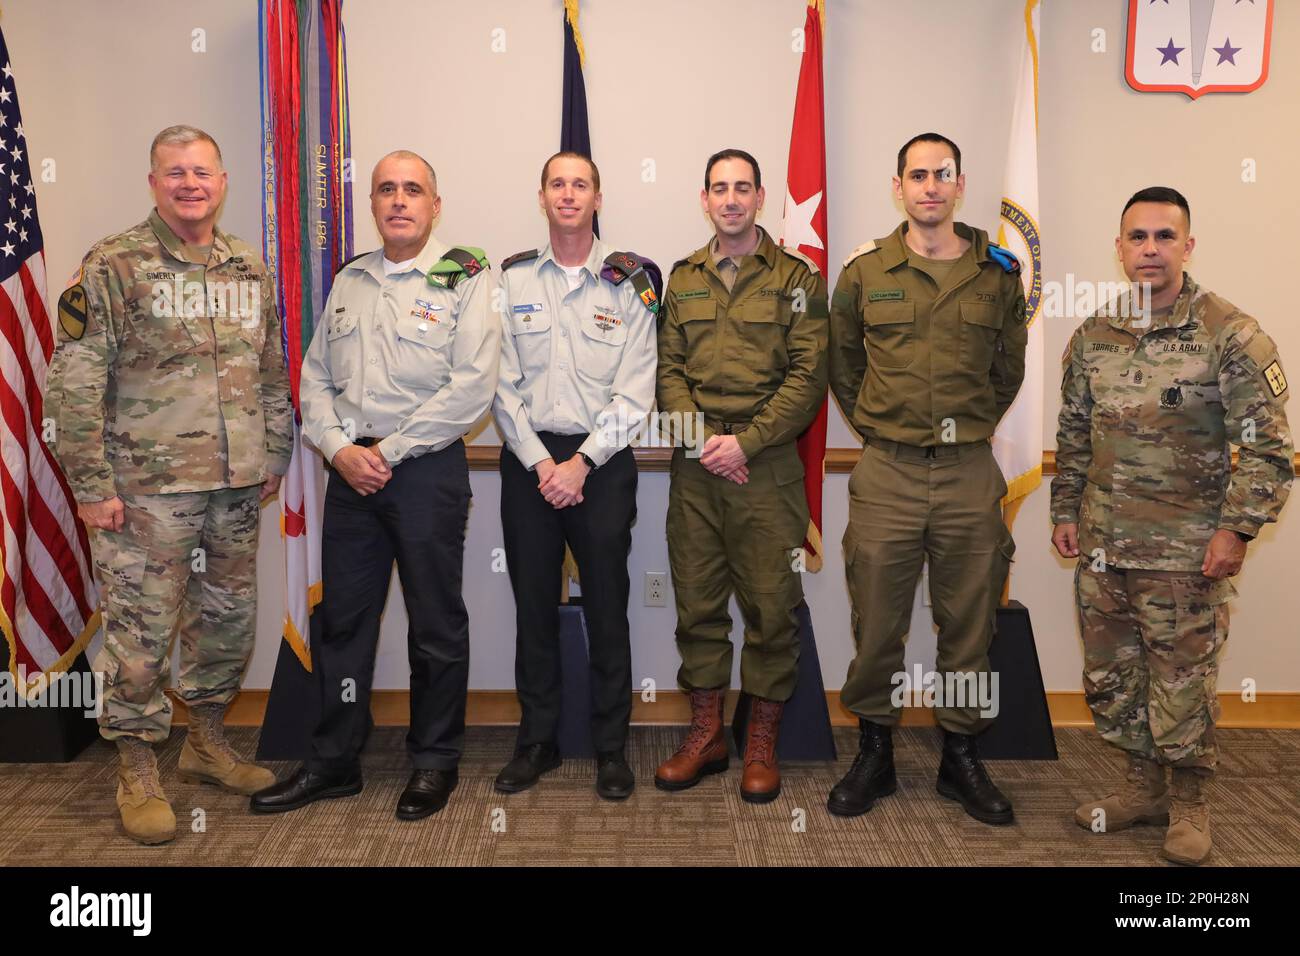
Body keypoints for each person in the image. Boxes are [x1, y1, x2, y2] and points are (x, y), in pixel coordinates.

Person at [45, 124, 292, 844]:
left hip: (235, 487)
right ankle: (136, 765)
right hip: (144, 492)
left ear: (223, 182)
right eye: (175, 172)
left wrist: (273, 454)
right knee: (141, 633)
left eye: (203, 172)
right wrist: (91, 484)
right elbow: (75, 382)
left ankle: (206, 741)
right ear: (153, 182)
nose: (191, 183)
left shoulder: (247, 264)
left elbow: (270, 367)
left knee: (225, 622)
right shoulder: (114, 265)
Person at [250, 150, 500, 821]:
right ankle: (334, 761)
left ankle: (434, 760)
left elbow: (472, 386)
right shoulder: (352, 278)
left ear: (434, 204)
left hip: (425, 473)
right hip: (351, 475)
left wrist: (383, 450)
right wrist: (336, 447)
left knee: (435, 624)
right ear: (374, 204)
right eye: (386, 189)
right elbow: (316, 378)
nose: (398, 200)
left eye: (412, 189)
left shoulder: (466, 278)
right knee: (345, 625)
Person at [1052, 186, 1293, 865]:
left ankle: (1189, 803)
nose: (1150, 249)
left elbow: (1269, 448)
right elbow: (1074, 435)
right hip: (1102, 547)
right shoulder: (1093, 336)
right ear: (1120, 248)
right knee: (1113, 676)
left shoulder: (1230, 334)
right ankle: (1141, 788)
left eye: (1164, 236)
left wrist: (1236, 531)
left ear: (1188, 246)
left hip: (1186, 551)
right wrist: (1065, 512)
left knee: (1181, 680)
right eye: (1137, 237)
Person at [825, 132, 1027, 825]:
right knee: (876, 619)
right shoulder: (863, 273)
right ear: (899, 185)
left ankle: (960, 758)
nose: (930, 186)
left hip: (969, 470)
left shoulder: (998, 273)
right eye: (917, 175)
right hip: (889, 470)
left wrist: (963, 430)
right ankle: (874, 751)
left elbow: (1009, 370)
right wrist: (887, 430)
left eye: (943, 174)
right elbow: (843, 367)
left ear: (960, 185)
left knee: (969, 625)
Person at [654, 148, 827, 804]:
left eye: (742, 188)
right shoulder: (684, 279)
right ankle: (706, 735)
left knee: (770, 609)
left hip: (768, 468)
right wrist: (703, 441)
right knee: (697, 606)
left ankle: (760, 742)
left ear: (759, 199)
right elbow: (667, 369)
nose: (730, 199)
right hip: (696, 474)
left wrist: (745, 442)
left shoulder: (799, 280)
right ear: (705, 199)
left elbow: (809, 375)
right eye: (719, 189)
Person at [490, 152, 659, 800]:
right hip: (529, 461)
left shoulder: (630, 279)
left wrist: (582, 462)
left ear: (597, 195)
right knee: (533, 606)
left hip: (602, 465)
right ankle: (537, 741)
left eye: (579, 184)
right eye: (557, 183)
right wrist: (542, 463)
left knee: (608, 609)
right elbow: (498, 383)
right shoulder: (511, 279)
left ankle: (612, 748)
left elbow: (637, 390)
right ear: (542, 196)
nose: (568, 194)